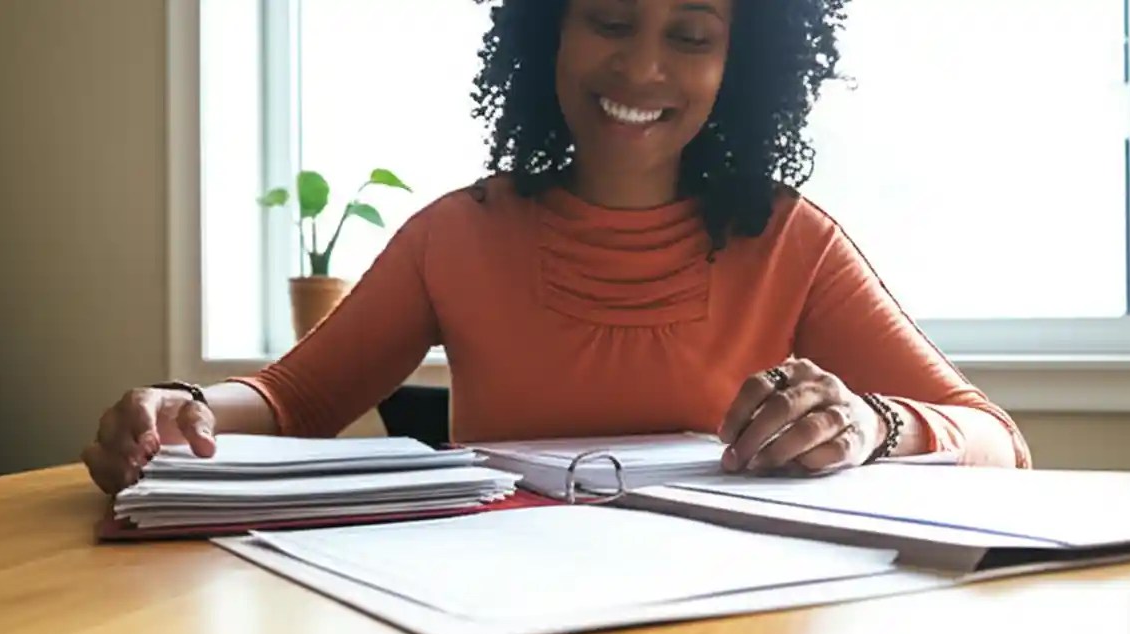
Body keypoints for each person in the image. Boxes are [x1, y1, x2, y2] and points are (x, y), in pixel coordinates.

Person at [83, 0, 1031, 495]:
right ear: (550, 31)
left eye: (691, 35)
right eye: (609, 22)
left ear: (739, 65)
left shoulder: (792, 242)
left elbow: (999, 443)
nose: (643, 68)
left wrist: (873, 424)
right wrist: (182, 411)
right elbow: (295, 399)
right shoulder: (456, 235)